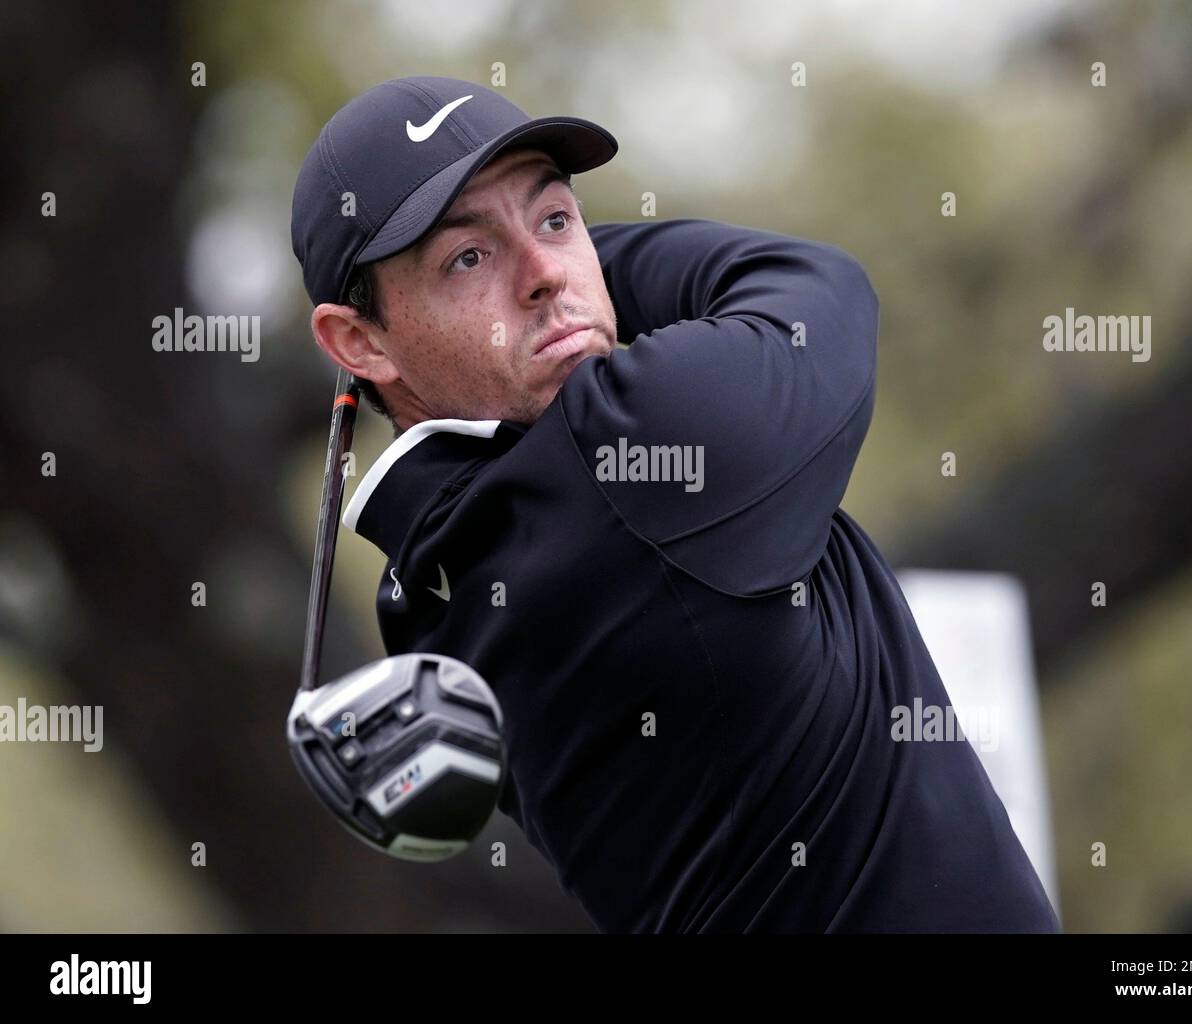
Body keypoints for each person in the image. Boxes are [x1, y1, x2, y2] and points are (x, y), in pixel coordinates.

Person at [290, 75, 1062, 933]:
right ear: (356, 343)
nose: (544, 273)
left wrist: (541, 284)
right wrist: (584, 279)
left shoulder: (431, 596)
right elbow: (813, 286)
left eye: (556, 217)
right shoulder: (636, 452)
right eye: (467, 258)